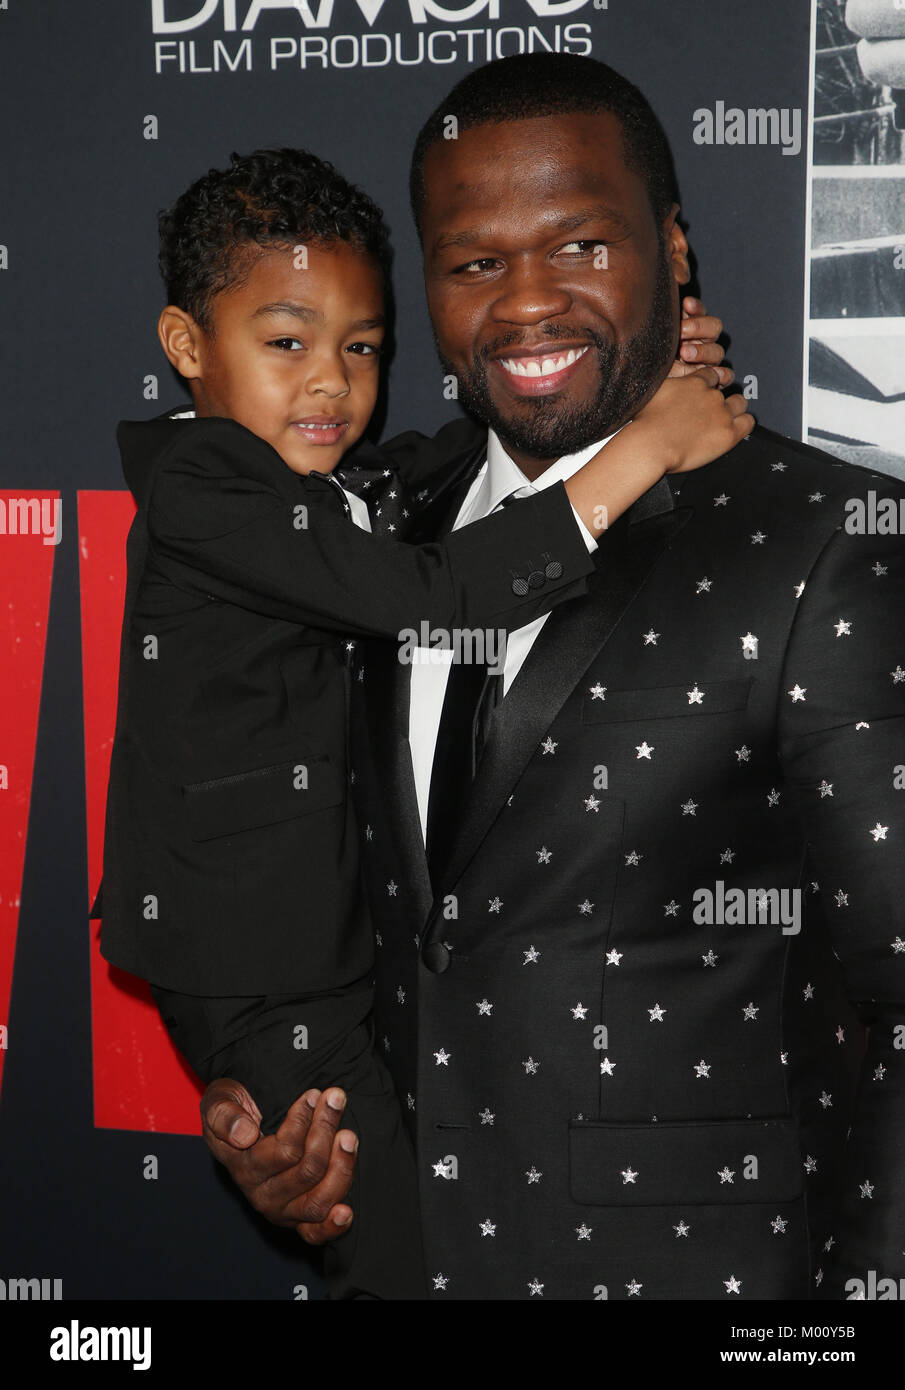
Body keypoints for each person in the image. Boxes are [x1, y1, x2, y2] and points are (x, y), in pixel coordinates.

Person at [204, 54, 905, 1300]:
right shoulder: (372, 531)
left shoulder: (824, 541)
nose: (526, 304)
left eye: (579, 244)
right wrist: (280, 1116)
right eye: (475, 262)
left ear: (674, 248)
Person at [97, 143, 749, 1300]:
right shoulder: (200, 484)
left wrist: (635, 380)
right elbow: (435, 591)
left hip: (330, 963)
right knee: (404, 1263)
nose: (331, 384)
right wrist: (643, 451)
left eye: (359, 348)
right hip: (261, 976)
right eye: (286, 342)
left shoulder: (315, 492)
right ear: (186, 349)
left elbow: (442, 472)